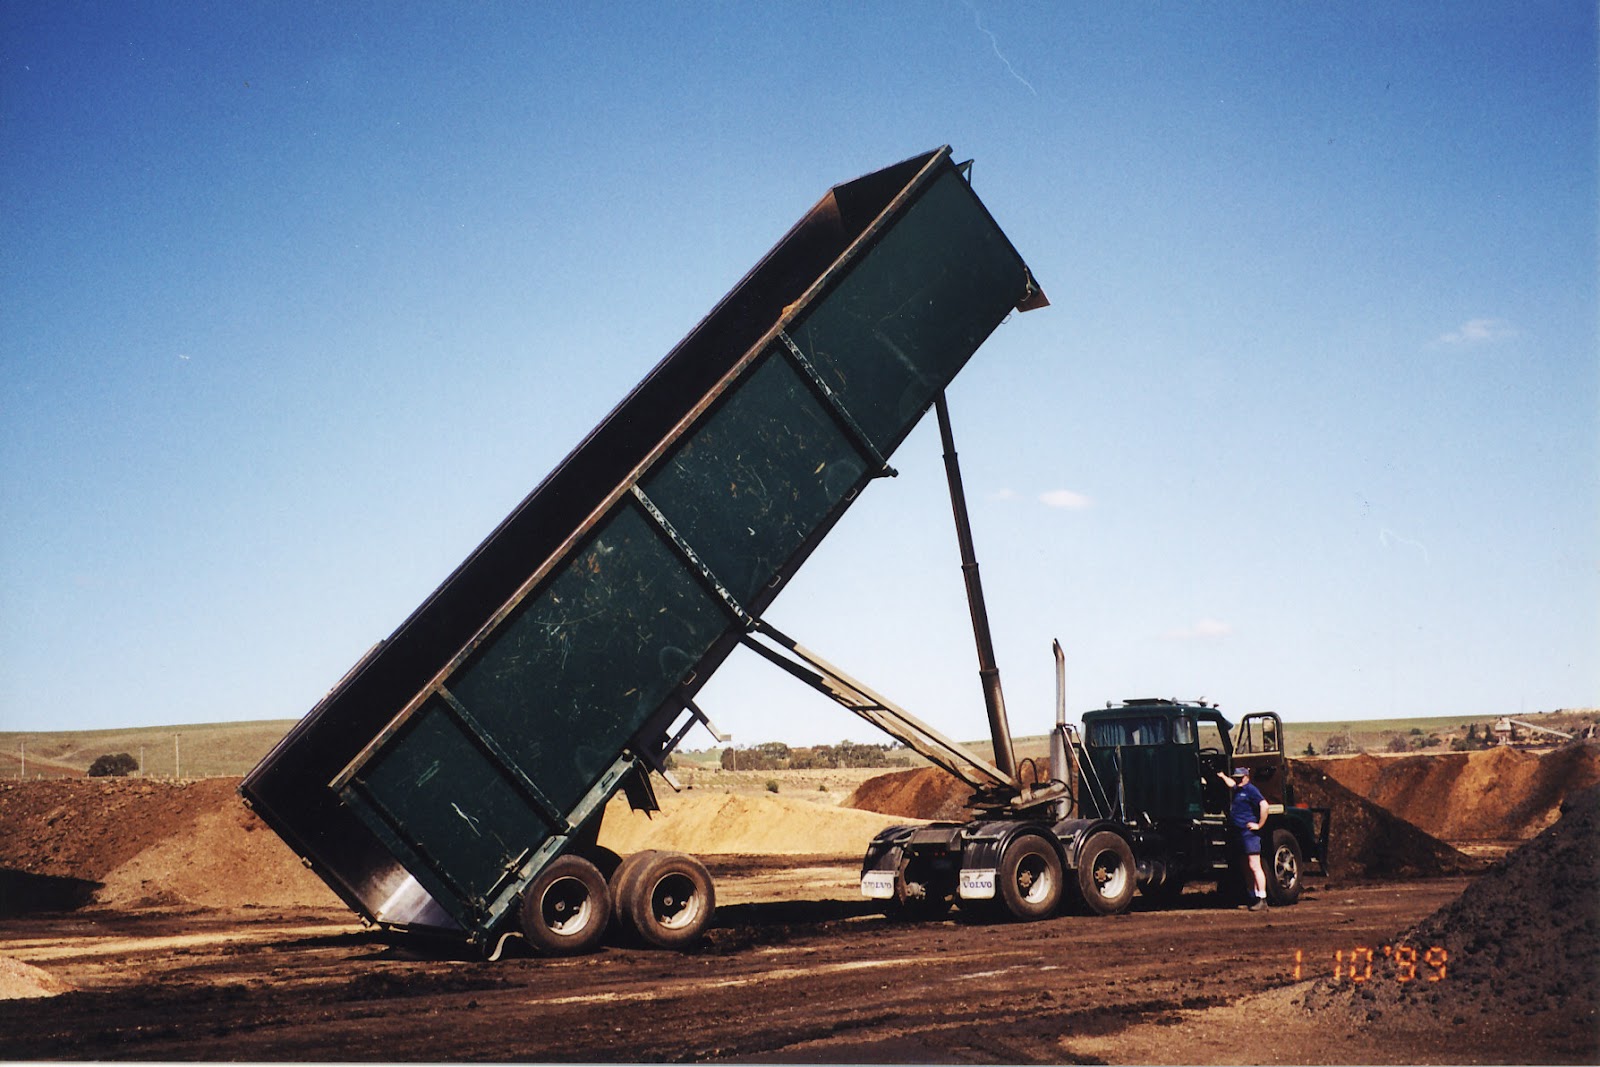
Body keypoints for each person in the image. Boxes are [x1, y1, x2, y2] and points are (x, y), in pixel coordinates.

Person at [1217, 766, 1270, 911]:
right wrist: (1222, 776)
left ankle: (1262, 898)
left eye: (1240, 778)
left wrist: (1259, 825)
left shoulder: (1251, 790)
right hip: (1238, 833)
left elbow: (1264, 806)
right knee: (1245, 866)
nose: (1238, 780)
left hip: (1249, 834)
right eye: (1236, 778)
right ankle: (1252, 897)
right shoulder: (1238, 788)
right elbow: (1231, 783)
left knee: (1254, 865)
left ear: (1247, 777)